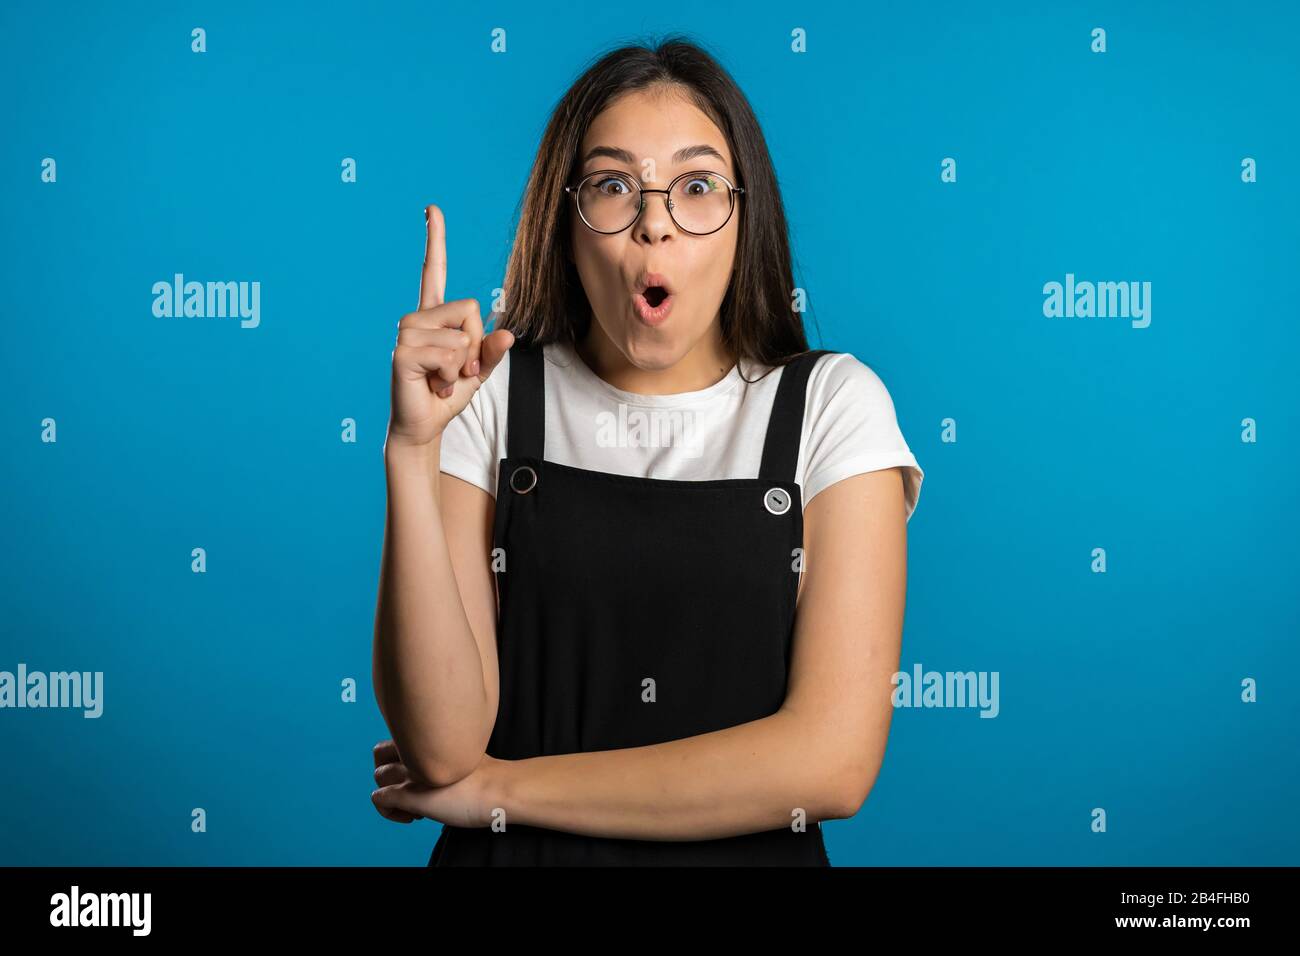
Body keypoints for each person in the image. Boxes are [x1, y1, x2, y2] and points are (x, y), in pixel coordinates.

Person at [369, 36, 923, 866]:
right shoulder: (491, 396)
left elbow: (832, 764)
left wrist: (500, 791)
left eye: (697, 187)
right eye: (612, 186)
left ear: (747, 217)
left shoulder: (832, 406)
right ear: (566, 217)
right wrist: (413, 452)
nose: (654, 224)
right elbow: (444, 747)